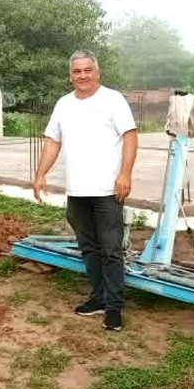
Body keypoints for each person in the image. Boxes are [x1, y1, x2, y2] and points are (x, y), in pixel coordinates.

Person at [33, 50, 138, 331]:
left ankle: (114, 308)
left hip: (107, 190)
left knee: (111, 249)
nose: (82, 75)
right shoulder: (63, 104)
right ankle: (98, 297)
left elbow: (130, 136)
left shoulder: (112, 100)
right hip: (77, 191)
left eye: (87, 70)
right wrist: (41, 173)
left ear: (97, 71)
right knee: (88, 247)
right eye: (77, 71)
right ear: (70, 75)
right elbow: (53, 141)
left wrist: (125, 173)